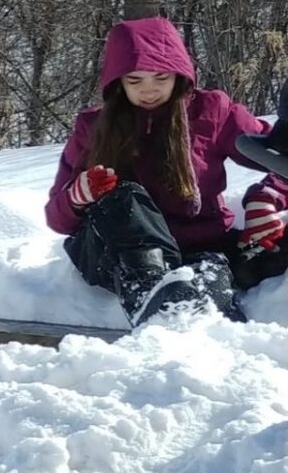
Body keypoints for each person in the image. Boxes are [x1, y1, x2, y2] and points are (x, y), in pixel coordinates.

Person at [45, 17, 286, 326]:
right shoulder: (93, 127)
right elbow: (57, 217)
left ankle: (219, 333)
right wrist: (78, 196)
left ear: (179, 74)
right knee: (124, 195)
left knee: (210, 278)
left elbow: (277, 154)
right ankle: (151, 299)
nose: (149, 90)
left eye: (160, 78)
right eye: (135, 81)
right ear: (118, 82)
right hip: (117, 255)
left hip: (202, 247)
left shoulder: (212, 112)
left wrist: (265, 198)